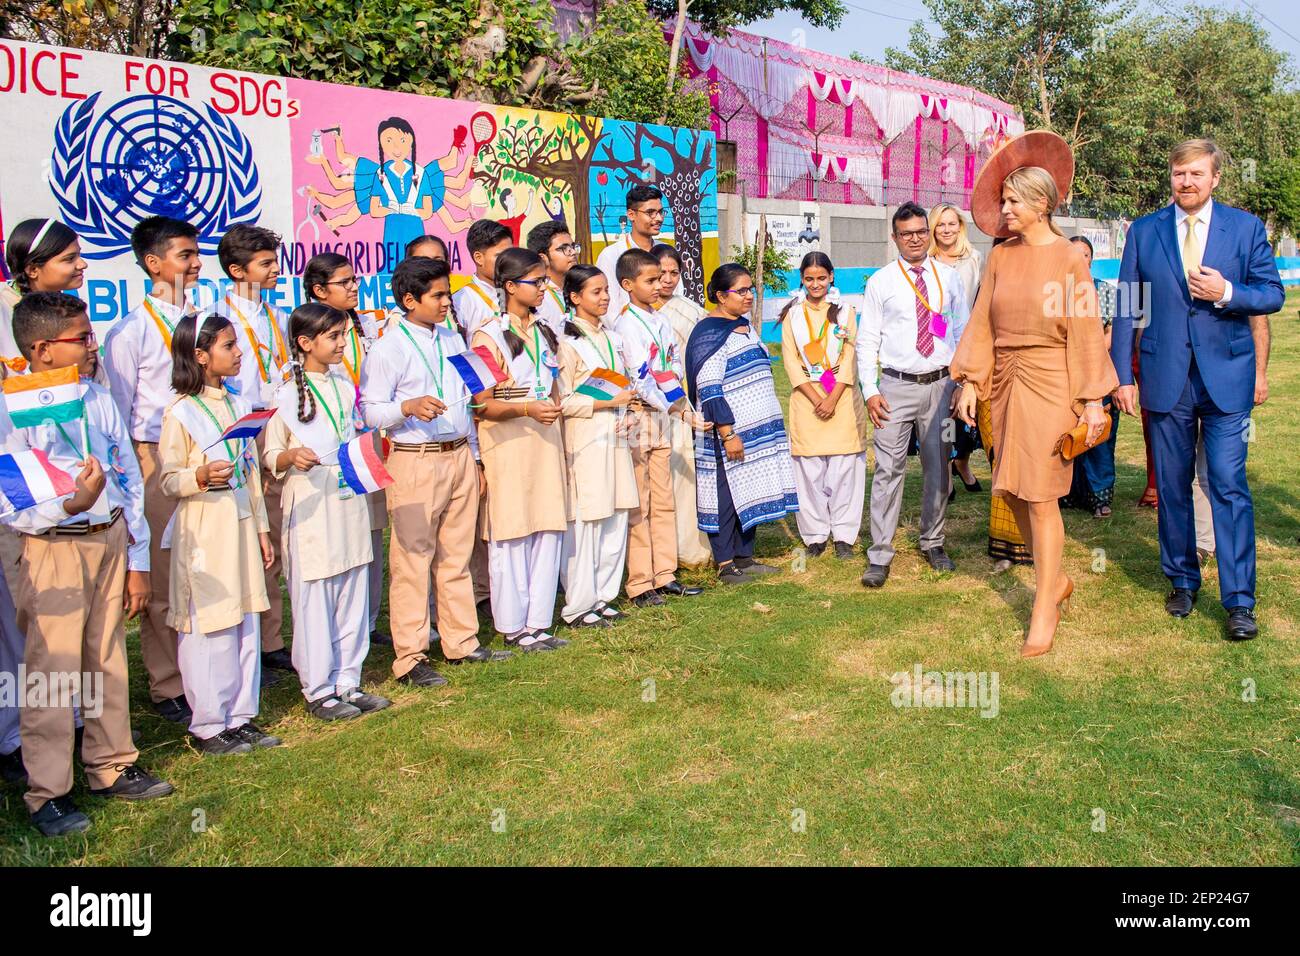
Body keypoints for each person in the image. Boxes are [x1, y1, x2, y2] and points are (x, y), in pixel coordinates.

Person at [3, 293, 173, 835]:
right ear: (42, 349)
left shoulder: (96, 395)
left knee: (107, 658)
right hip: (53, 544)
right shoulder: (12, 407)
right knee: (51, 671)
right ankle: (48, 790)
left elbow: (127, 477)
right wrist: (70, 506)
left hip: (109, 537)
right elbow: (12, 499)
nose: (92, 345)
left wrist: (137, 558)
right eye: (80, 338)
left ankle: (111, 762)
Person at [1111, 138, 1284, 641]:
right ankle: (1182, 580)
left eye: (1196, 174)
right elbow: (1126, 307)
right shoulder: (1144, 232)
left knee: (1228, 483)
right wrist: (1121, 375)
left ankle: (1239, 601)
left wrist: (1227, 292)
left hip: (1226, 378)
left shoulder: (1245, 228)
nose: (1186, 182)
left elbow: (1271, 294)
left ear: (1215, 179)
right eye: (1179, 173)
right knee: (1171, 484)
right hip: (1165, 377)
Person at [952, 132, 1118, 658]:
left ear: (1042, 203)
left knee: (1043, 495)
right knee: (1011, 490)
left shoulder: (1069, 258)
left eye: (1013, 201)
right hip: (1004, 382)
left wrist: (1091, 400)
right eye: (1004, 201)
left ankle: (1044, 604)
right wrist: (971, 381)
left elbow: (1085, 330)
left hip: (1052, 382)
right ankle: (1057, 580)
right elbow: (982, 321)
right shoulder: (1000, 256)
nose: (1004, 210)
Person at [360, 257, 509, 687]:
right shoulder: (388, 348)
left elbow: (469, 396)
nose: (447, 302)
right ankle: (410, 655)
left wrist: (475, 457)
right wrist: (406, 407)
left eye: (448, 294)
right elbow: (369, 411)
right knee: (412, 559)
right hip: (415, 457)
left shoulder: (452, 337)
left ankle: (461, 641)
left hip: (458, 452)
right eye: (438, 295)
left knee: (456, 554)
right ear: (410, 300)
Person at [161, 313, 281, 754]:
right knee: (210, 622)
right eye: (228, 346)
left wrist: (263, 529)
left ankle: (241, 715)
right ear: (200, 355)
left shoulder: (235, 403)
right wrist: (199, 475)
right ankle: (210, 723)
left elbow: (250, 474)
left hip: (242, 521)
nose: (238, 352)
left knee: (246, 615)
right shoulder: (180, 412)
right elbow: (168, 479)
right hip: (205, 525)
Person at [264, 303, 390, 719]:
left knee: (353, 583)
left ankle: (348, 679)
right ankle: (318, 688)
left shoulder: (342, 384)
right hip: (311, 502)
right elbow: (270, 454)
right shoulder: (284, 394)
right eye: (333, 337)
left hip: (347, 494)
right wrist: (290, 457)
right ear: (305, 342)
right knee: (316, 594)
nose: (341, 345)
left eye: (343, 336)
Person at [102, 216, 202, 724]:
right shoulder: (130, 332)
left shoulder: (203, 319)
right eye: (185, 255)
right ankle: (168, 683)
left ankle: (205, 667)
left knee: (202, 564)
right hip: (154, 455)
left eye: (196, 253)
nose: (197, 263)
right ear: (154, 263)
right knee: (162, 573)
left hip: (204, 450)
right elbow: (118, 414)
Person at [857, 201, 970, 588]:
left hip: (942, 388)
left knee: (940, 466)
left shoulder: (948, 278)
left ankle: (934, 542)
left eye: (922, 231)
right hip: (894, 388)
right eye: (907, 234)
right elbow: (867, 340)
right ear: (895, 238)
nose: (916, 239)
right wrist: (870, 390)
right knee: (888, 470)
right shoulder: (881, 282)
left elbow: (961, 331)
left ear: (929, 232)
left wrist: (961, 382)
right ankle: (880, 554)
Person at [473, 247, 570, 651]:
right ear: (510, 286)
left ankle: (539, 622)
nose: (544, 288)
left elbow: (553, 384)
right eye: (537, 281)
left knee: (547, 525)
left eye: (545, 280)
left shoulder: (544, 329)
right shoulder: (487, 335)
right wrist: (527, 408)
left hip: (545, 439)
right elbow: (481, 404)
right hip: (508, 443)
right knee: (512, 531)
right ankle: (513, 625)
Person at [212, 224, 294, 676]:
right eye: (265, 264)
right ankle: (244, 636)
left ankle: (272, 638)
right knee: (245, 534)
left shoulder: (277, 315)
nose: (275, 269)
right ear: (236, 270)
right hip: (239, 430)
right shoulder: (216, 320)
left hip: (276, 424)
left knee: (275, 535)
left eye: (274, 261)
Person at [685, 264, 798, 583]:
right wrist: (728, 433)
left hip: (756, 433)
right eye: (742, 290)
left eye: (751, 289)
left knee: (748, 489)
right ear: (721, 296)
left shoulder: (744, 326)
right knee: (724, 495)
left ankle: (744, 558)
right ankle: (725, 564)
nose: (749, 296)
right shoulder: (709, 333)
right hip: (725, 434)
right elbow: (709, 389)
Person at [304, 253, 392, 646]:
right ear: (319, 290)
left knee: (370, 530)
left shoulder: (365, 326)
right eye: (344, 282)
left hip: (366, 440)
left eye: (354, 279)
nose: (354, 287)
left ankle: (367, 621)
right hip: (328, 447)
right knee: (334, 534)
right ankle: (333, 627)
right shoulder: (309, 334)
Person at [614, 248, 703, 606]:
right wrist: (678, 409)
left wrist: (675, 394)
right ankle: (640, 581)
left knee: (663, 498)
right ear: (628, 284)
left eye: (660, 279)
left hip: (662, 414)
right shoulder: (626, 325)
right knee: (642, 501)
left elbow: (671, 365)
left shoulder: (660, 320)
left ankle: (665, 573)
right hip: (640, 415)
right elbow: (641, 379)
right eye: (650, 280)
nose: (658, 286)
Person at [555, 265, 637, 627]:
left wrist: (628, 410)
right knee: (588, 518)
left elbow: (625, 384)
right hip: (586, 438)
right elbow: (563, 401)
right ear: (575, 297)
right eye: (596, 292)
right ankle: (579, 603)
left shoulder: (612, 337)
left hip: (617, 435)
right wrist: (608, 402)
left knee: (617, 513)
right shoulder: (566, 343)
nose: (604, 298)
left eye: (606, 290)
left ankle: (604, 596)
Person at [780, 252, 866, 559]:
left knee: (845, 468)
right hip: (807, 400)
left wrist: (832, 397)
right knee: (809, 470)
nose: (815, 284)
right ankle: (815, 534)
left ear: (831, 277)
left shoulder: (845, 311)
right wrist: (817, 398)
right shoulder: (793, 315)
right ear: (802, 279)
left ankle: (844, 535)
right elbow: (790, 361)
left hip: (841, 397)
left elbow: (850, 356)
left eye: (821, 278)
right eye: (809, 279)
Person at [651, 243, 712, 567]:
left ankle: (688, 549)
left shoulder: (691, 311)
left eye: (674, 273)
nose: (667, 279)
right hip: (646, 404)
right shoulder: (633, 312)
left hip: (681, 401)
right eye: (660, 273)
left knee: (683, 473)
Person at [1059, 235, 1120, 518]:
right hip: (1064, 374)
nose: (1079, 258)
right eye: (1073, 253)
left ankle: (1100, 497)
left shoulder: (1105, 291)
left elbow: (1112, 335)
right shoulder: (1055, 291)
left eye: (1084, 254)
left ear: (1091, 260)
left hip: (1097, 371)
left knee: (1098, 435)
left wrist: (1087, 353)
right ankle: (1068, 493)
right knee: (1067, 431)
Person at [929, 203, 984, 496]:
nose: (946, 229)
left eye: (952, 223)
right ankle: (948, 464)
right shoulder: (925, 261)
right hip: (937, 345)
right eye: (941, 224)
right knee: (945, 412)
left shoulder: (974, 258)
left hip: (969, 342)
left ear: (960, 227)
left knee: (968, 409)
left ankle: (963, 461)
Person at [0, 219, 88, 378]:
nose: (82, 264)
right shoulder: (2, 308)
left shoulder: (69, 310)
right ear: (33, 270)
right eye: (69, 259)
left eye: (79, 255)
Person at [597, 184, 666, 317]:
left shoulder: (666, 252)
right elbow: (609, 310)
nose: (659, 218)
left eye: (660, 212)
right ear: (631, 215)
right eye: (650, 213)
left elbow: (677, 295)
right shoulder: (611, 255)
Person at [453, 220, 512, 339]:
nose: (508, 261)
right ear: (478, 258)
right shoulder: (461, 301)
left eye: (510, 254)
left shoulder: (517, 291)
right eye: (500, 256)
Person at [527, 220, 580, 336]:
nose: (573, 252)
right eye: (563, 248)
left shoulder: (579, 288)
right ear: (543, 258)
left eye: (572, 246)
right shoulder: (538, 298)